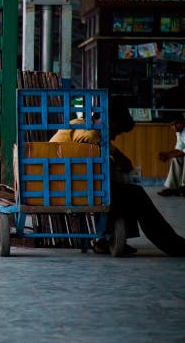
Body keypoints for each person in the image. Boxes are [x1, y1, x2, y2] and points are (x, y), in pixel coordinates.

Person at [52, 104, 185, 256]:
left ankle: (108, 239)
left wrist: (120, 158)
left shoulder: (81, 126)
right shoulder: (90, 135)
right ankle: (173, 244)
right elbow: (99, 155)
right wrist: (115, 161)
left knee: (126, 192)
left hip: (66, 183)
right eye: (115, 131)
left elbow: (109, 149)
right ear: (108, 121)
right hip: (74, 188)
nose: (114, 136)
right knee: (135, 194)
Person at [157, 118, 185, 197]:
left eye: (177, 124)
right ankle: (173, 187)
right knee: (176, 158)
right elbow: (179, 148)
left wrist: (168, 155)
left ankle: (183, 187)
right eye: (172, 125)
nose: (175, 127)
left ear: (183, 122)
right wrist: (167, 154)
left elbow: (183, 152)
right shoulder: (179, 132)